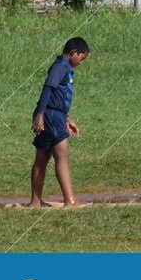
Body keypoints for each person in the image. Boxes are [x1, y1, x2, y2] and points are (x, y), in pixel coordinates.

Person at [29, 37, 89, 207]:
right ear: (73, 53)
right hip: (50, 116)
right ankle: (69, 201)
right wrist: (40, 115)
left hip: (54, 115)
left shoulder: (64, 67)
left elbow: (57, 98)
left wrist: (66, 119)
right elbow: (47, 89)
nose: (81, 62)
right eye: (81, 58)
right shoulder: (60, 67)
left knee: (42, 157)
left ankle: (35, 201)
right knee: (62, 156)